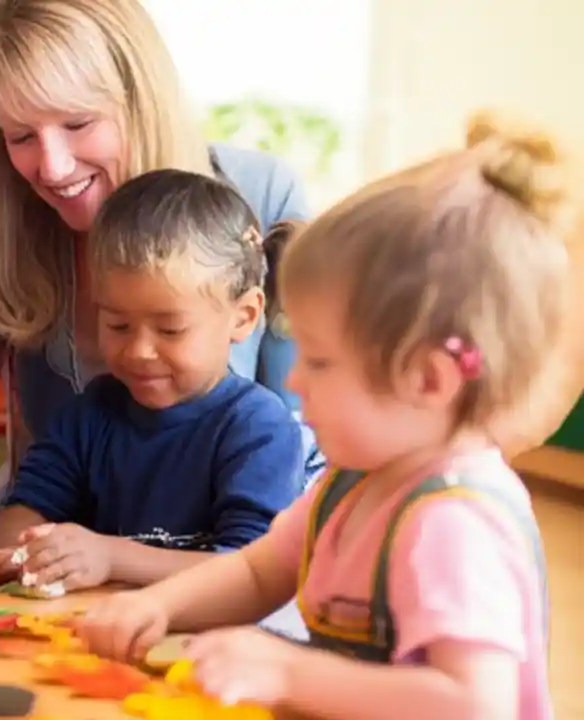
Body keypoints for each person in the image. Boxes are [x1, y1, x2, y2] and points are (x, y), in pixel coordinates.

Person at [77, 115, 577, 719]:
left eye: (319, 360)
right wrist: (159, 605)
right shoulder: (351, 483)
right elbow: (260, 570)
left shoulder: (452, 523)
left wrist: (288, 672)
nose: (292, 378)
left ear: (427, 379)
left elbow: (475, 704)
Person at [0, 0, 319, 600]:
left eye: (78, 123)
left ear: (138, 99)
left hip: (220, 591)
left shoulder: (261, 197)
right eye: (20, 136)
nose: (53, 165)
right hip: (49, 583)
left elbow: (304, 448)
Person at [0, 169, 304, 592]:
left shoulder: (260, 430)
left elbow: (251, 571)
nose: (138, 351)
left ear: (244, 316)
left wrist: (110, 557)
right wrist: (10, 556)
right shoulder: (90, 414)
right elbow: (31, 506)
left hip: (209, 650)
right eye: (117, 325)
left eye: (170, 330)